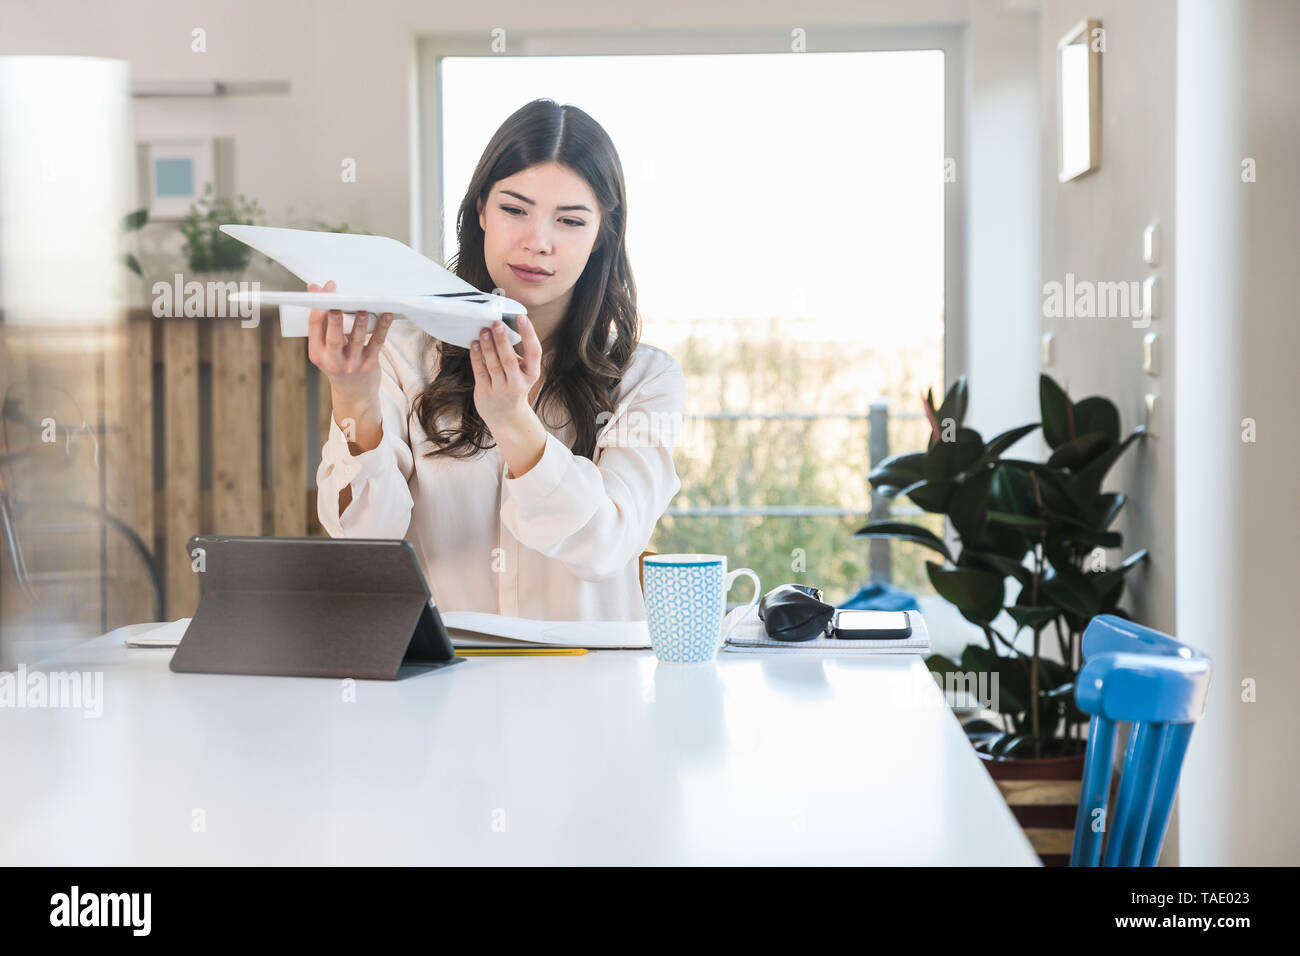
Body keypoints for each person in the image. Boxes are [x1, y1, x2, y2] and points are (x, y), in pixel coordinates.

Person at [308, 98, 685, 621]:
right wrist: (352, 396)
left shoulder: (647, 379)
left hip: (591, 689)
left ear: (603, 234)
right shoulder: (400, 358)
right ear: (481, 210)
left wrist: (513, 420)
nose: (538, 242)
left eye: (570, 220)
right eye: (514, 210)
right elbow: (363, 536)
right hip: (442, 682)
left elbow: (606, 545)